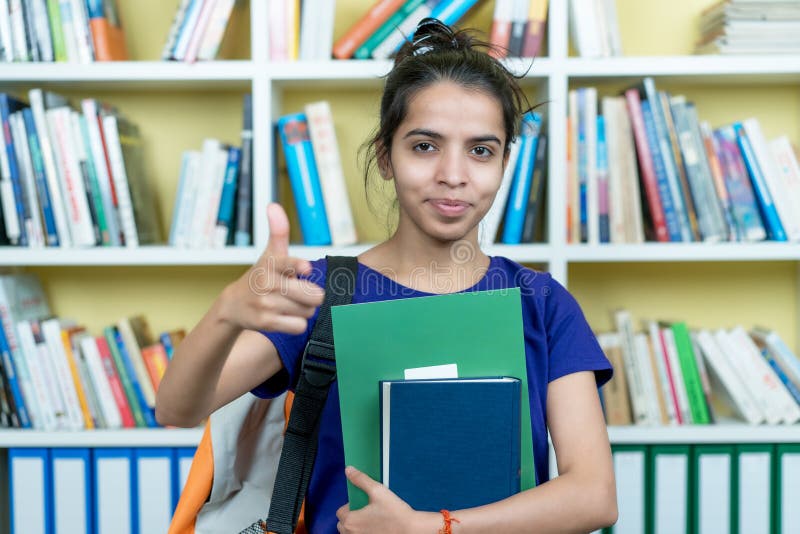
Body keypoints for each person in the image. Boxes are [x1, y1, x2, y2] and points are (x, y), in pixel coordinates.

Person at [156, 18, 617, 534]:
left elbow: (593, 496)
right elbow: (176, 408)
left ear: (505, 162)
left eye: (481, 150)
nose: (453, 174)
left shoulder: (542, 303)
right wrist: (226, 312)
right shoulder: (326, 292)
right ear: (385, 156)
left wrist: (434, 528)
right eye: (425, 146)